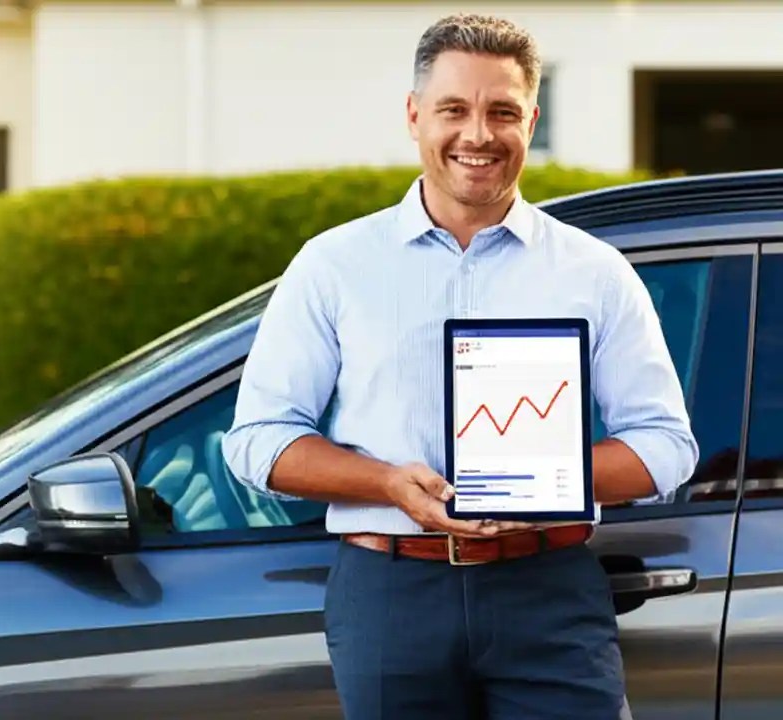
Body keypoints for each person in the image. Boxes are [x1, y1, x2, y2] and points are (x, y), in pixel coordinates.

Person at [221, 12, 696, 720]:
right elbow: (256, 439)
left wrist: (540, 483)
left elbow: (666, 446)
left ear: (530, 120)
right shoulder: (335, 266)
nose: (478, 134)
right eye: (454, 109)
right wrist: (387, 482)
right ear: (415, 116)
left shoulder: (595, 272)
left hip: (549, 592)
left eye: (502, 111)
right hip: (390, 595)